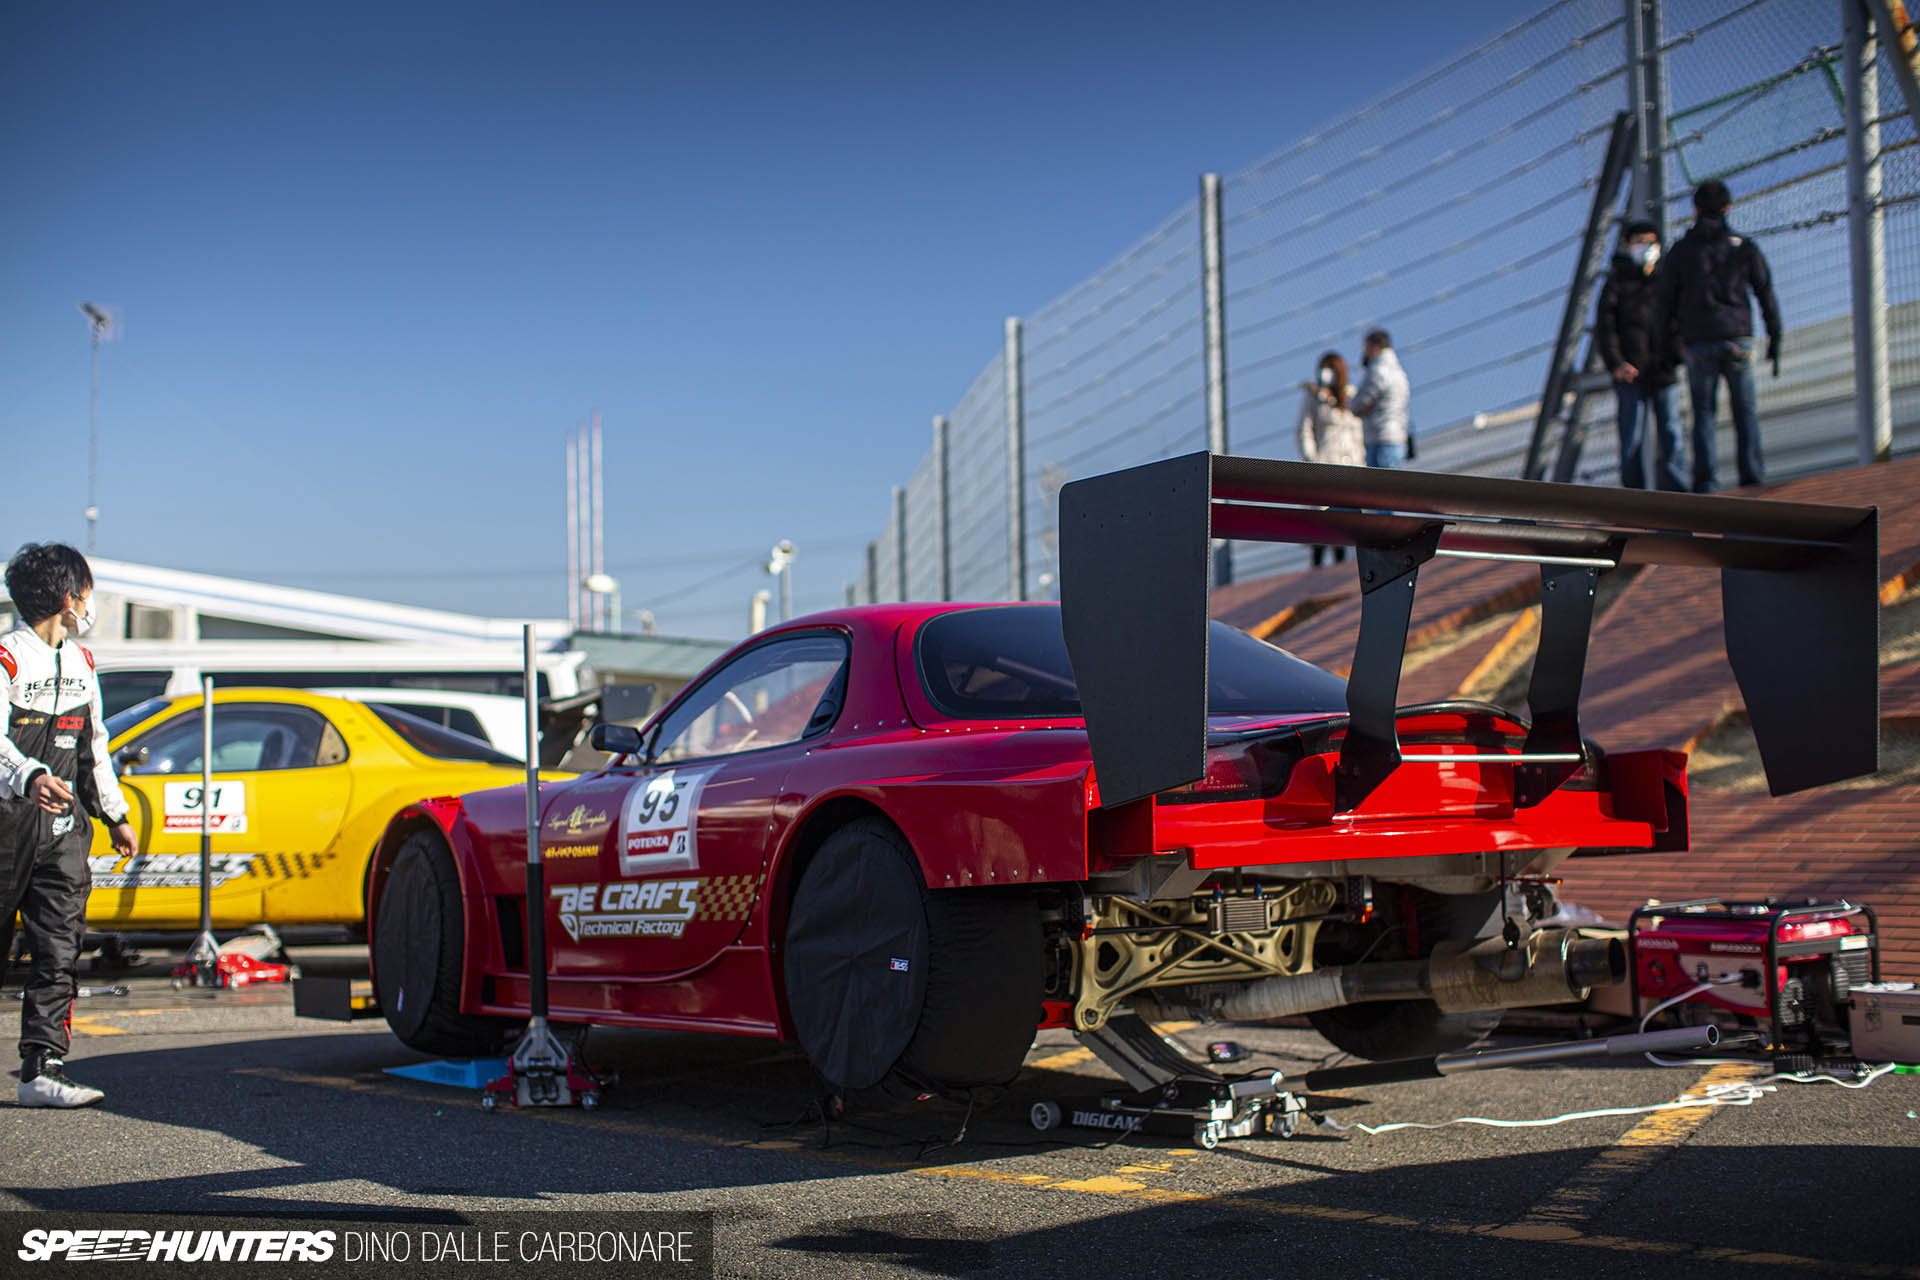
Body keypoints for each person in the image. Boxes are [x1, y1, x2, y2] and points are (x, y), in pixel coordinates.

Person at [1, 543, 136, 1108]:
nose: (90, 601)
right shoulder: (6, 655)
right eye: (86, 588)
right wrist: (27, 774)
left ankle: (43, 1069)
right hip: (6, 821)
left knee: (59, 948)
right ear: (66, 595)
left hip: (61, 832)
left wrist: (115, 812)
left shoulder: (81, 662)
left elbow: (93, 745)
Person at [1655, 180, 1782, 491]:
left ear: (1695, 209)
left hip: (1698, 341)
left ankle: (1706, 483)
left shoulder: (1682, 251)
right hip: (1738, 336)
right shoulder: (1743, 246)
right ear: (1728, 208)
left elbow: (1664, 303)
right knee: (1745, 412)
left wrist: (1667, 347)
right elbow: (1765, 293)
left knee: (1703, 415)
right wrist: (1774, 336)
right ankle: (1751, 478)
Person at [1595, 220, 1685, 491]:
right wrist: (1616, 363)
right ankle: (1635, 497)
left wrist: (1675, 357)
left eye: (1650, 242)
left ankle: (1678, 494)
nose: (1645, 248)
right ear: (1627, 245)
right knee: (1631, 439)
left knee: (1672, 434)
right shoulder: (1616, 281)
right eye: (1639, 242)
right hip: (1629, 371)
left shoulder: (1667, 278)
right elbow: (1605, 326)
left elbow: (1679, 319)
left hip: (1663, 369)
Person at [1297, 351, 1365, 567]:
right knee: (1321, 522)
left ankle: (1341, 569)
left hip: (1349, 466)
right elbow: (1304, 430)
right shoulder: (1313, 398)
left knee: (1345, 523)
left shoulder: (1352, 396)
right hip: (1324, 465)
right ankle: (1316, 573)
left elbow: (1358, 434)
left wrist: (1361, 464)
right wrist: (1311, 458)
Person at [1350, 329, 1410, 469]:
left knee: (1379, 485)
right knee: (1392, 486)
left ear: (1374, 348)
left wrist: (1356, 407)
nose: (1365, 354)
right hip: (1397, 436)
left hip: (1380, 438)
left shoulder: (1378, 370)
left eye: (1366, 349)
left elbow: (1359, 403)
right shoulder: (1398, 372)